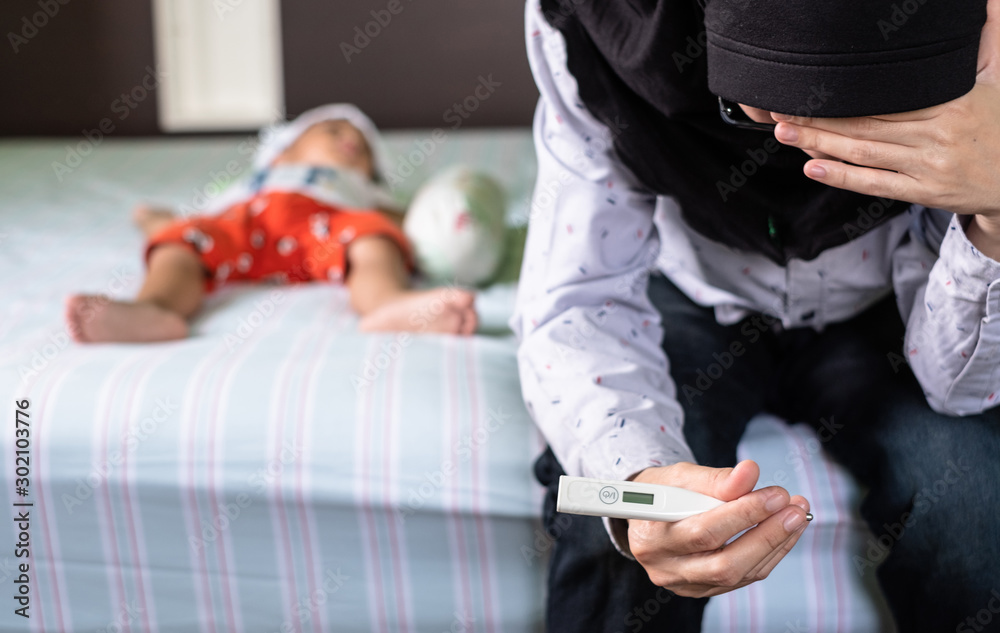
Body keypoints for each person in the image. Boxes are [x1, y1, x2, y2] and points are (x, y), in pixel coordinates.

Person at [511, 0, 1000, 630]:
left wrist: (991, 214)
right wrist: (633, 476)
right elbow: (578, 297)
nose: (789, 123)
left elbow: (961, 384)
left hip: (894, 299)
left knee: (975, 499)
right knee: (644, 524)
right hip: (691, 291)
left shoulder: (973, 49)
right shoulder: (599, 30)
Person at [66, 104, 478, 343]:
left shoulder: (359, 190)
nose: (350, 140)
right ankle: (153, 309)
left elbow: (408, 222)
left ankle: (387, 302)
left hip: (324, 227)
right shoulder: (247, 185)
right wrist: (157, 221)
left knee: (373, 240)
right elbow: (186, 224)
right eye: (332, 130)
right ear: (281, 152)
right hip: (240, 228)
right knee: (182, 244)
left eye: (363, 148)